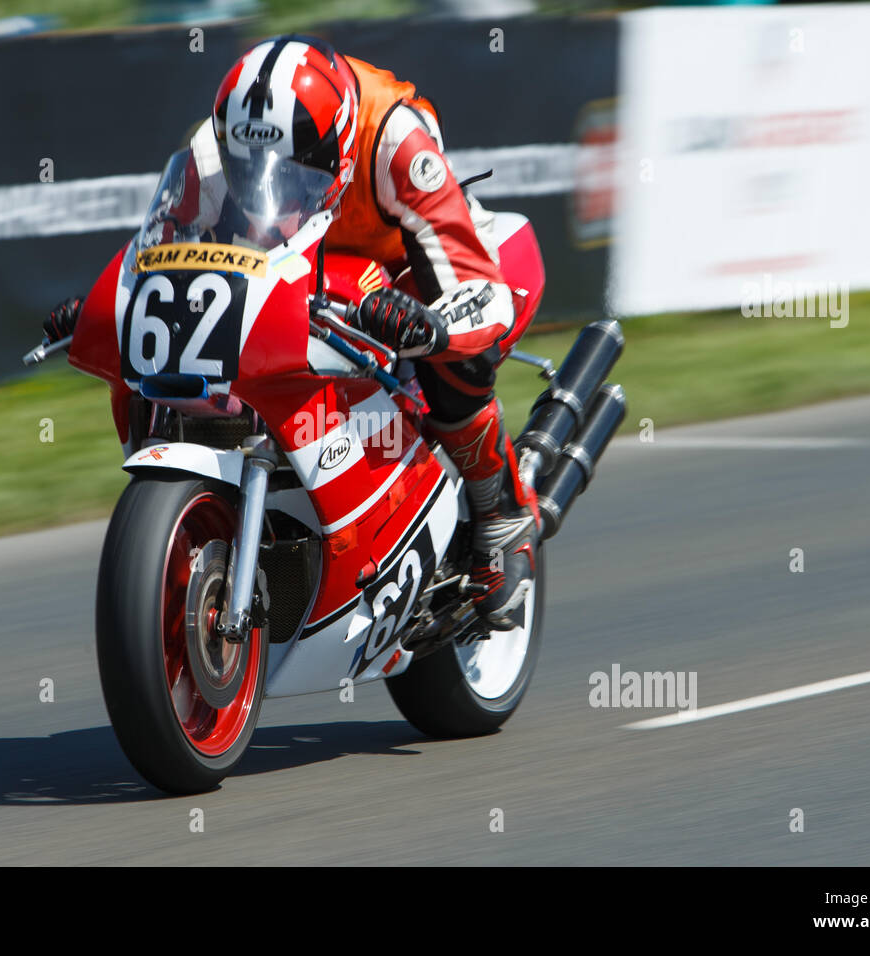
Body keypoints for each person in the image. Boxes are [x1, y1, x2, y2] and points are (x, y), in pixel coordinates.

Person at [45, 35, 537, 627]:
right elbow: (172, 250)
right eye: (247, 172)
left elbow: (472, 277)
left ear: (339, 151)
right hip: (298, 267)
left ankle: (501, 516)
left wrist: (431, 322)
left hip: (411, 260)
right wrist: (117, 305)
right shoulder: (212, 150)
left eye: (295, 176)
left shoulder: (396, 142)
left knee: (454, 362)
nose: (267, 195)